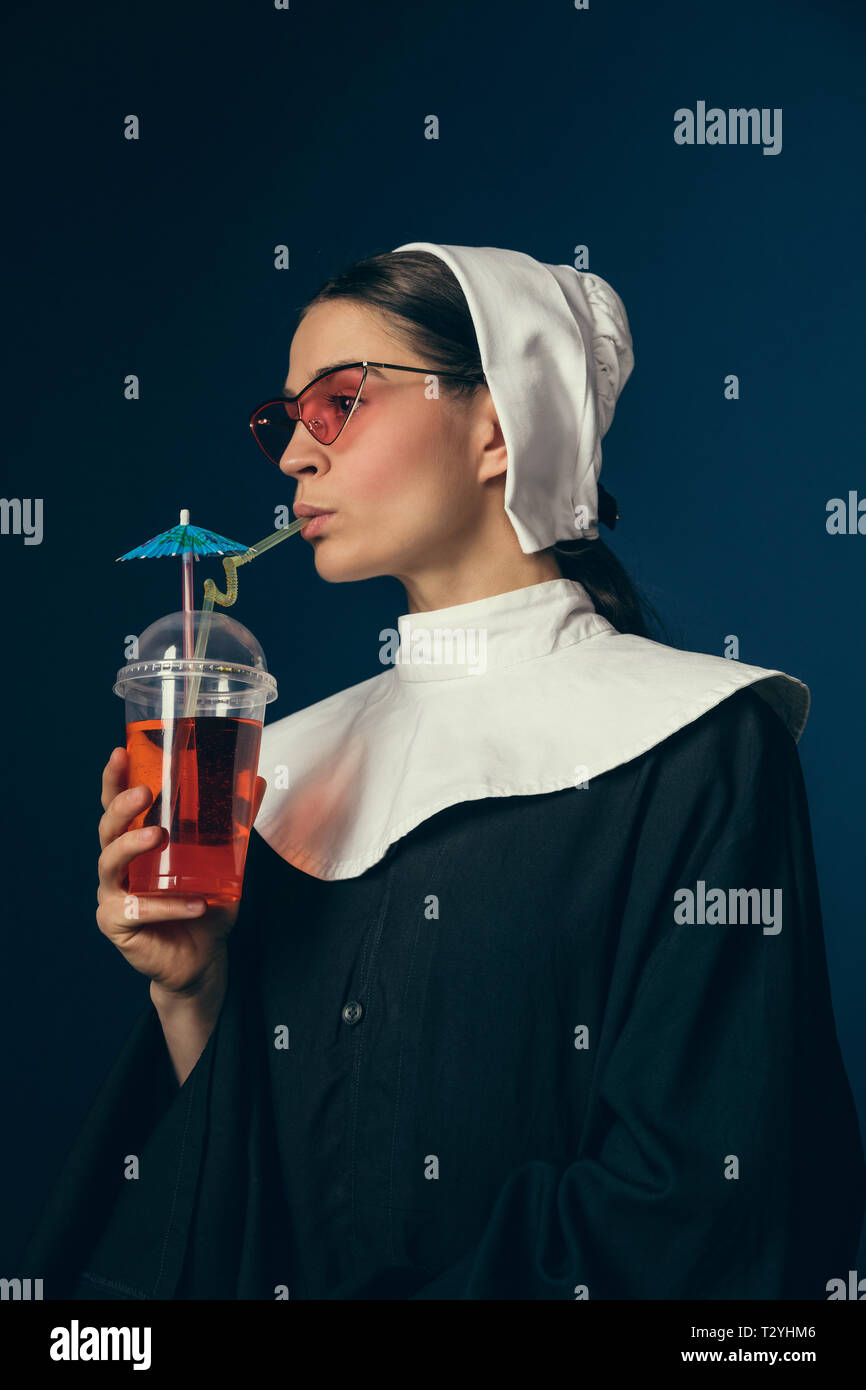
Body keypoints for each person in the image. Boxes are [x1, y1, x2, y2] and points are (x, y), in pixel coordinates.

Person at [17, 243, 865, 1300]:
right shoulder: (279, 777)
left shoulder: (698, 746)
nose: (291, 456)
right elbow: (242, 1229)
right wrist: (193, 993)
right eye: (284, 418)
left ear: (498, 424)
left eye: (338, 400)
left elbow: (706, 1212)